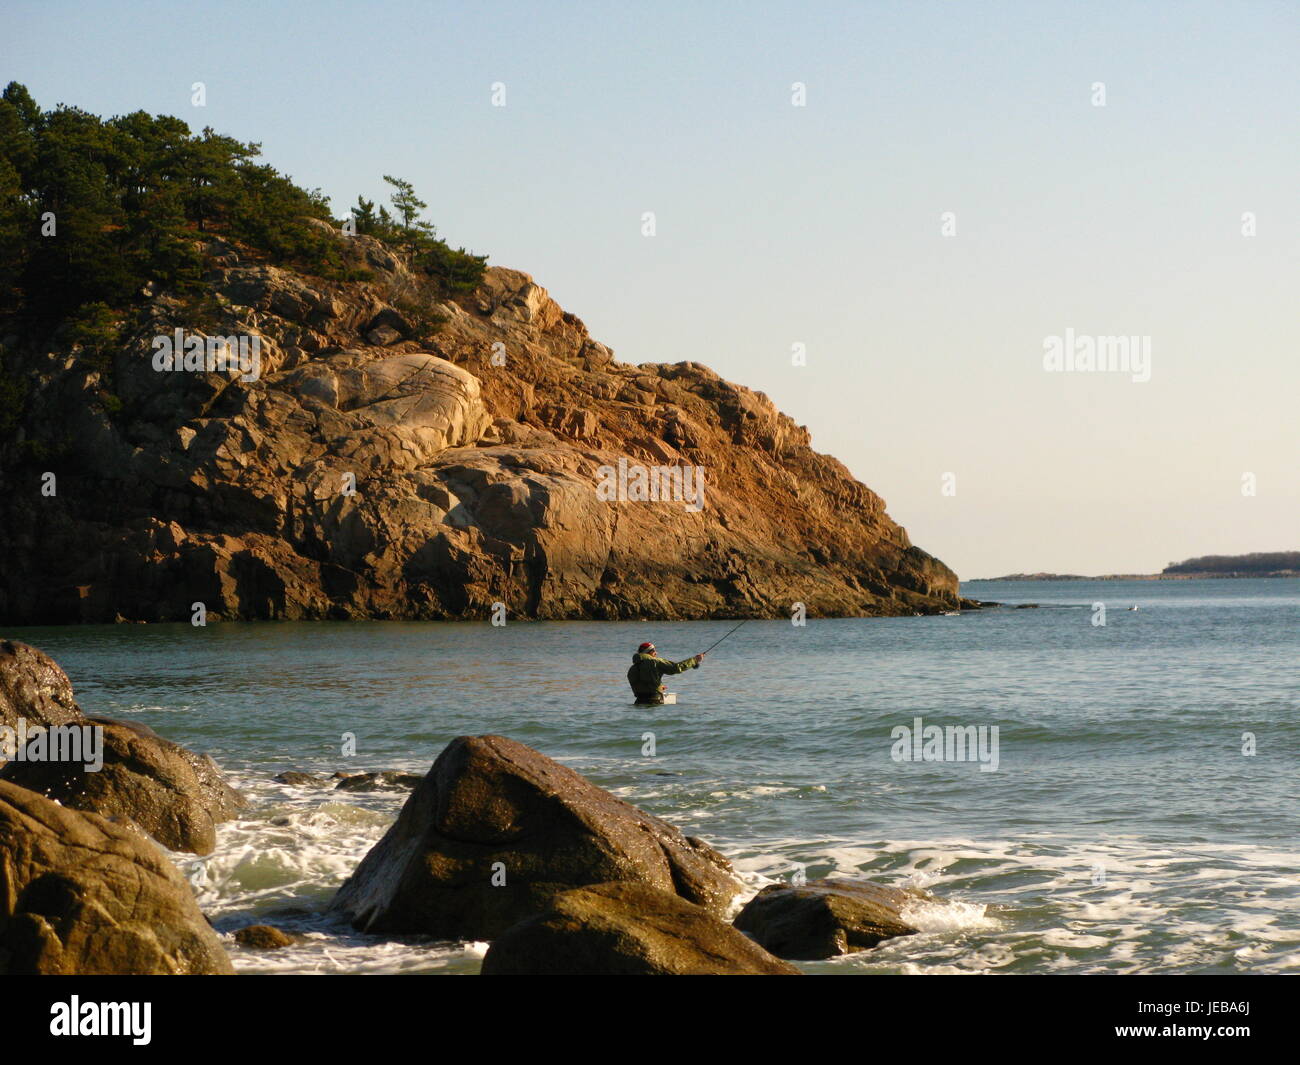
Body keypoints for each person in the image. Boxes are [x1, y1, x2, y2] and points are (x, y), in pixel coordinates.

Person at [627, 642, 705, 705]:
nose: (656, 653)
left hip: (638, 703)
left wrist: (659, 687)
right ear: (649, 652)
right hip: (655, 701)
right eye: (654, 650)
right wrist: (694, 660)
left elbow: (644, 684)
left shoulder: (632, 669)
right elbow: (676, 668)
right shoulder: (655, 662)